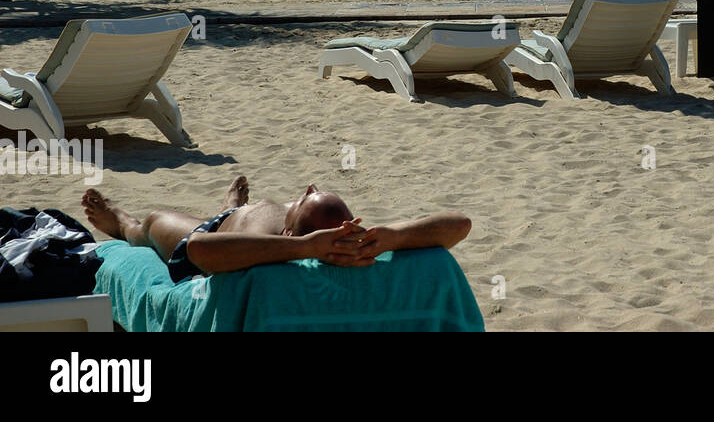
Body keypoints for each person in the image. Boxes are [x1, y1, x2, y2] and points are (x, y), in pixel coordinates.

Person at [82, 177, 470, 281]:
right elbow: (461, 224)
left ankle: (120, 223)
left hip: (217, 232)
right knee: (244, 209)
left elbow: (199, 249)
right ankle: (233, 207)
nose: (309, 188)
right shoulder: (357, 240)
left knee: (152, 223)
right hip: (242, 222)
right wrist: (398, 236)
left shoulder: (280, 247)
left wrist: (305, 248)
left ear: (290, 236)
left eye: (306, 198)